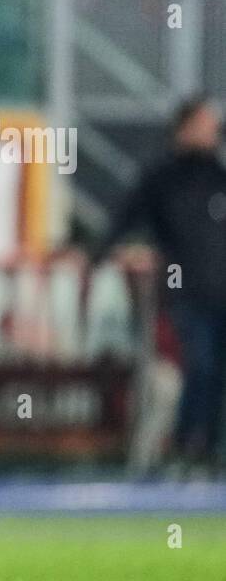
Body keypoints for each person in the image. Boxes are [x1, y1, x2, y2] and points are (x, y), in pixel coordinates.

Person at [92, 95, 226, 476]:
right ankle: (187, 448)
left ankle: (210, 451)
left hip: (222, 293)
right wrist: (96, 255)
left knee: (215, 375)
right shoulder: (163, 177)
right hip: (187, 292)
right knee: (199, 367)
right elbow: (125, 217)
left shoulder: (219, 174)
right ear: (184, 127)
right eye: (204, 123)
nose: (212, 131)